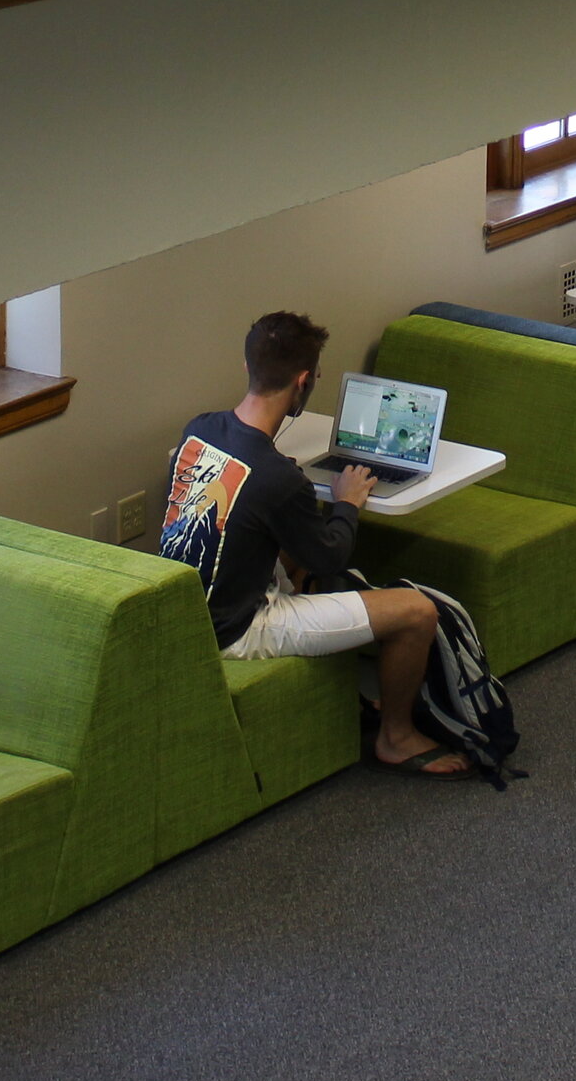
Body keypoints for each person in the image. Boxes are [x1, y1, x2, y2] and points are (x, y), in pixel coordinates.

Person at [159, 311, 471, 778]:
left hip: (186, 609)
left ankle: (369, 693)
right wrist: (347, 503)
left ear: (249, 368)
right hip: (236, 629)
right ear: (303, 382)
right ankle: (396, 737)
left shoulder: (199, 429)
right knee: (416, 611)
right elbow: (330, 554)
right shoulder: (278, 478)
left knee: (290, 551)